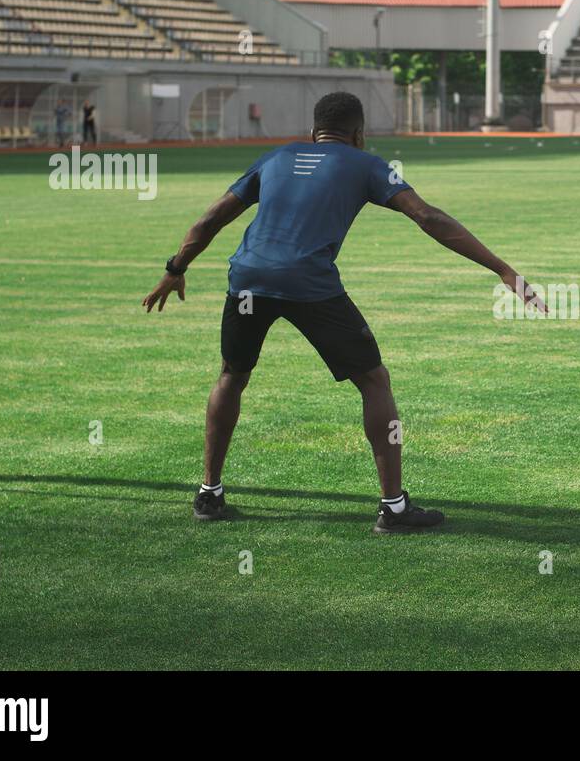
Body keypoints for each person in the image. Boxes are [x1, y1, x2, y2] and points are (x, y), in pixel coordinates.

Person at [140, 92, 544, 532]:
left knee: (232, 376)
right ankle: (393, 508)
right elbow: (428, 218)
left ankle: (209, 495)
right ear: (359, 134)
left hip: (248, 279)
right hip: (308, 283)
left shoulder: (275, 158)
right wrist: (501, 268)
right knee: (374, 380)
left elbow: (210, 219)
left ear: (313, 133)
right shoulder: (366, 163)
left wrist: (175, 269)